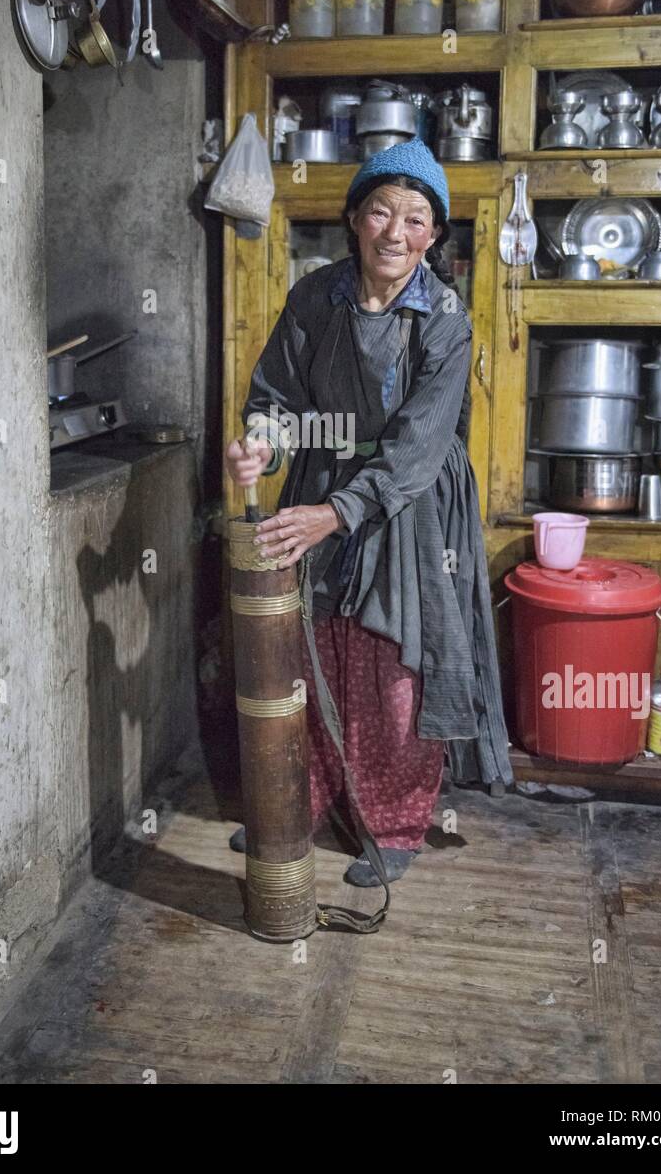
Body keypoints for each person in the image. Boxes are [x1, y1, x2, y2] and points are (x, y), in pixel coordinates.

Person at [225, 137, 512, 887]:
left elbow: (418, 446)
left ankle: (392, 824)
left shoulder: (443, 319)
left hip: (406, 503)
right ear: (354, 219)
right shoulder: (315, 296)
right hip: (319, 481)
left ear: (433, 235)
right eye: (380, 212)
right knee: (311, 647)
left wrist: (337, 512)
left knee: (393, 668)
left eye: (416, 220)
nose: (395, 232)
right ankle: (310, 799)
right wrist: (262, 445)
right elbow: (277, 399)